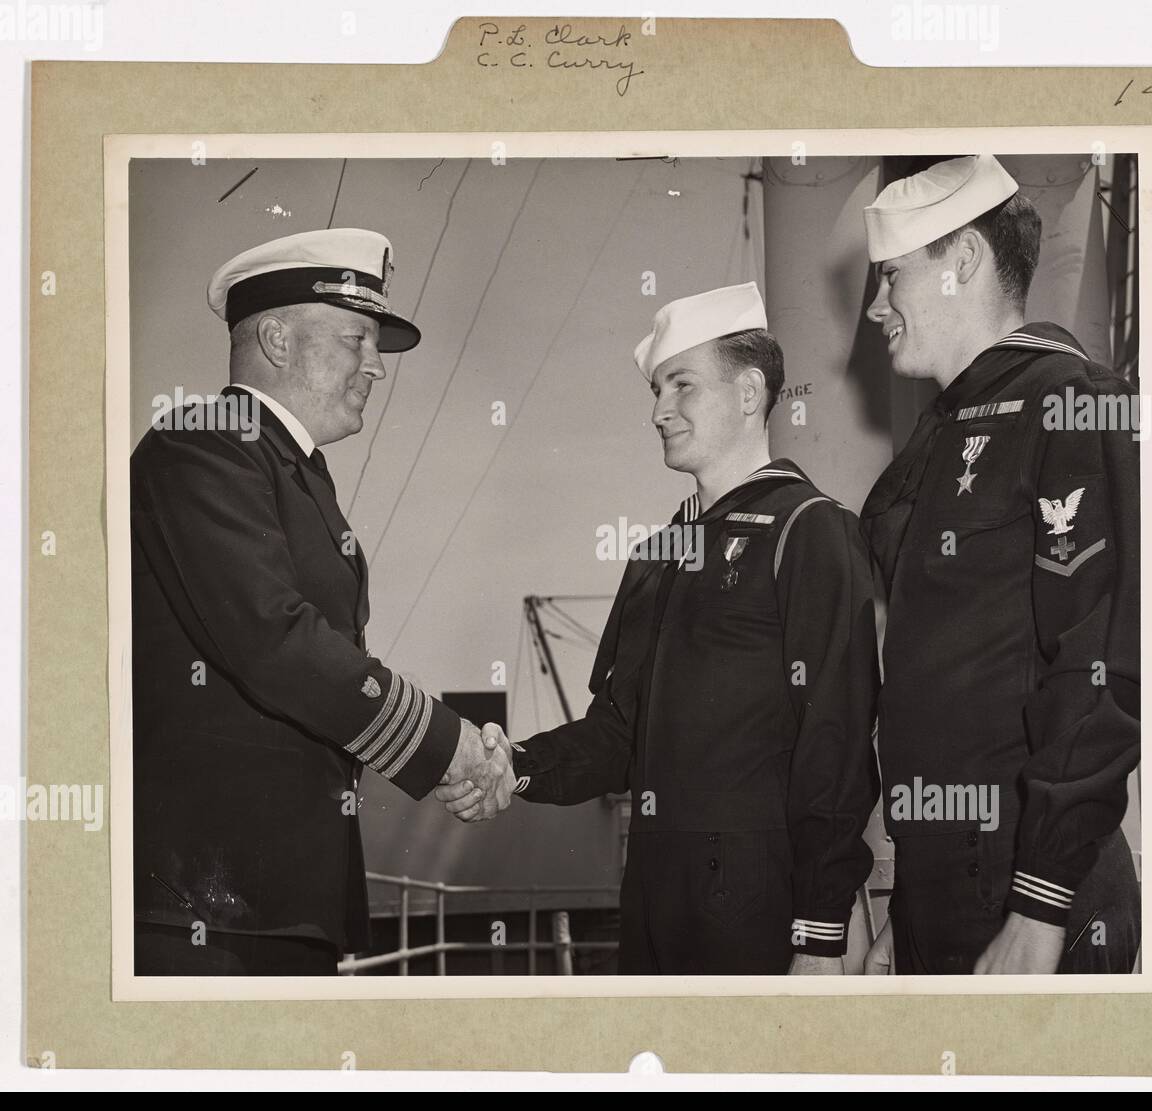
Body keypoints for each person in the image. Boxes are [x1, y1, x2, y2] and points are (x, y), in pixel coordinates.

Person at [437, 282, 879, 975]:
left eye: (682, 386)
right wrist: (515, 767)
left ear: (749, 392)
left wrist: (820, 933)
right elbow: (618, 734)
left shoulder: (809, 531)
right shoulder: (658, 555)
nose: (658, 411)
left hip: (763, 910)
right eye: (655, 390)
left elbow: (838, 745)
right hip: (652, 903)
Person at [131, 227, 512, 976]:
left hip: (277, 895)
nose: (376, 365)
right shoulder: (203, 443)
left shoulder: (288, 469)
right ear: (276, 339)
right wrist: (446, 745)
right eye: (356, 339)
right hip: (206, 901)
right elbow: (275, 641)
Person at [857, 155, 1141, 975]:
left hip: (1034, 896)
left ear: (965, 260)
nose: (875, 306)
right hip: (944, 894)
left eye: (892, 275)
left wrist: (1040, 903)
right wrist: (911, 908)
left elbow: (1098, 664)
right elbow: (946, 692)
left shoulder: (1073, 405)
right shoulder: (932, 445)